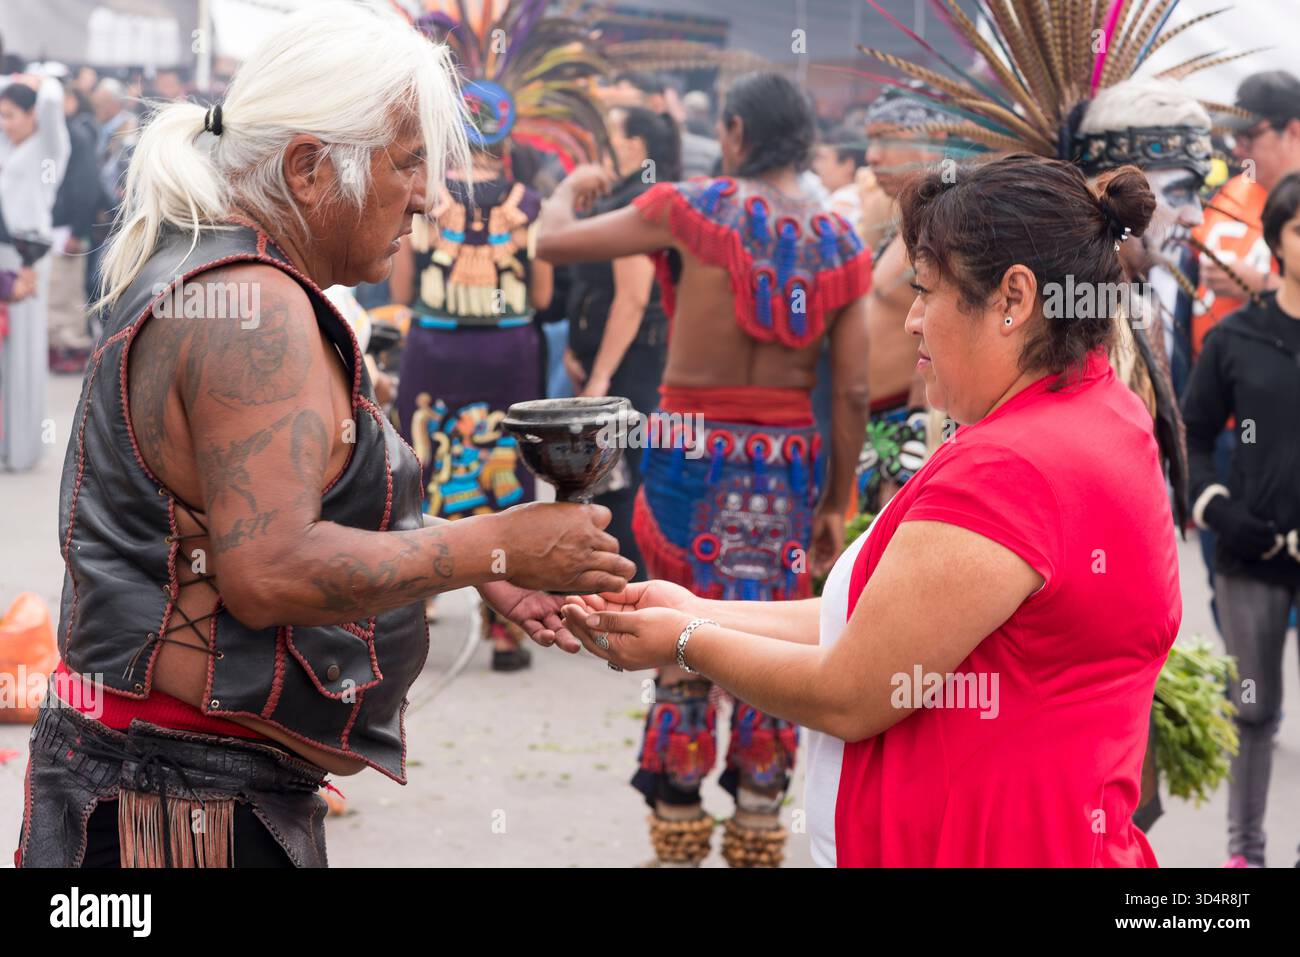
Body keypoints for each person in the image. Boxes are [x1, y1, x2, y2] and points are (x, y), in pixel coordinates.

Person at [14, 1, 632, 869]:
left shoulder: (212, 267)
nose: (427, 196)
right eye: (410, 163)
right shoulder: (254, 307)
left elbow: (248, 522)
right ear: (309, 168)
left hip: (168, 787)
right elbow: (270, 569)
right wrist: (496, 545)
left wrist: (470, 555)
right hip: (179, 811)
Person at [560, 154, 1181, 868]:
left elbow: (853, 690)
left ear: (1013, 297)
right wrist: (693, 607)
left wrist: (685, 640)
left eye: (927, 292)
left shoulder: (1013, 468)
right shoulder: (1095, 409)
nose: (913, 321)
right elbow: (869, 623)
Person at [537, 71, 872, 867]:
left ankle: (678, 824)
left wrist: (563, 193)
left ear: (732, 132)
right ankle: (759, 818)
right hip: (788, 469)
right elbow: (853, 387)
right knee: (773, 636)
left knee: (682, 625)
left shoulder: (688, 209)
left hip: (691, 453)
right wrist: (837, 498)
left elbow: (552, 243)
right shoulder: (842, 242)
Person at [388, 0, 609, 672]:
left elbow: (400, 292)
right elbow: (543, 297)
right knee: (508, 475)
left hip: (435, 350)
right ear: (509, 134)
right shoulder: (530, 206)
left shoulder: (427, 196)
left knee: (427, 464)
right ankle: (507, 625)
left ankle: (420, 600)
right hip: (510, 353)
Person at [1182, 171, 1300, 868]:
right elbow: (1192, 434)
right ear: (1278, 240)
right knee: (1251, 709)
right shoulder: (1237, 336)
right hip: (1250, 551)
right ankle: (1244, 857)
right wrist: (1215, 507)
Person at [564, 106, 679, 577]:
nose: (602, 146)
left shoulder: (643, 203)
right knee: (618, 468)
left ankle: (632, 589)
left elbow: (631, 301)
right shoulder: (626, 194)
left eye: (611, 136)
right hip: (623, 356)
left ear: (634, 146)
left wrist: (600, 376)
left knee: (627, 469)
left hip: (634, 361)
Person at [0, 71, 70, 472]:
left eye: (11, 115)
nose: (5, 124)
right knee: (6, 354)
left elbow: (51, 100)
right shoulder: (7, 147)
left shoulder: (49, 147)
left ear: (31, 115)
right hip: (5, 254)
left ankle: (23, 448)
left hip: (30, 256)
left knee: (24, 350)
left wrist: (39, 75)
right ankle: (6, 440)